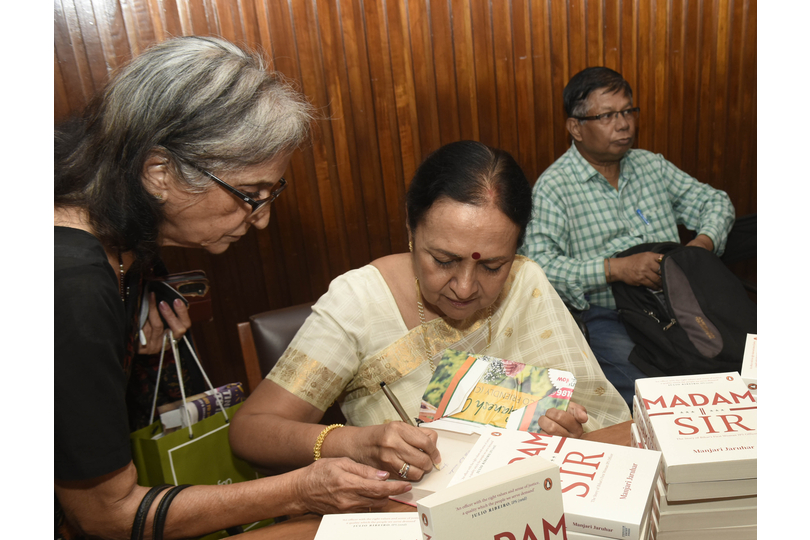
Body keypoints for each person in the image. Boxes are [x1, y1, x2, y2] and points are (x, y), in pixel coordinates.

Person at [54, 36, 412, 540]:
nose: (261, 220)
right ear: (159, 171)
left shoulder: (118, 227)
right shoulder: (69, 286)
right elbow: (106, 515)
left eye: (272, 194)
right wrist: (300, 489)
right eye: (250, 195)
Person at [229, 140, 631, 483]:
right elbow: (251, 431)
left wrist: (569, 430)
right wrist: (352, 443)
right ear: (410, 228)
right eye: (443, 260)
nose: (465, 286)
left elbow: (600, 416)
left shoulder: (526, 282)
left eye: (493, 266)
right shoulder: (360, 301)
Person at [519, 67, 735, 407]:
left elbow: (715, 202)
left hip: (682, 302)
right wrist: (615, 270)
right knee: (659, 394)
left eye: (627, 112)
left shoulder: (650, 166)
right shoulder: (554, 188)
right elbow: (538, 267)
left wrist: (701, 246)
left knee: (734, 365)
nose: (623, 124)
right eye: (607, 115)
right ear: (575, 127)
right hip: (611, 315)